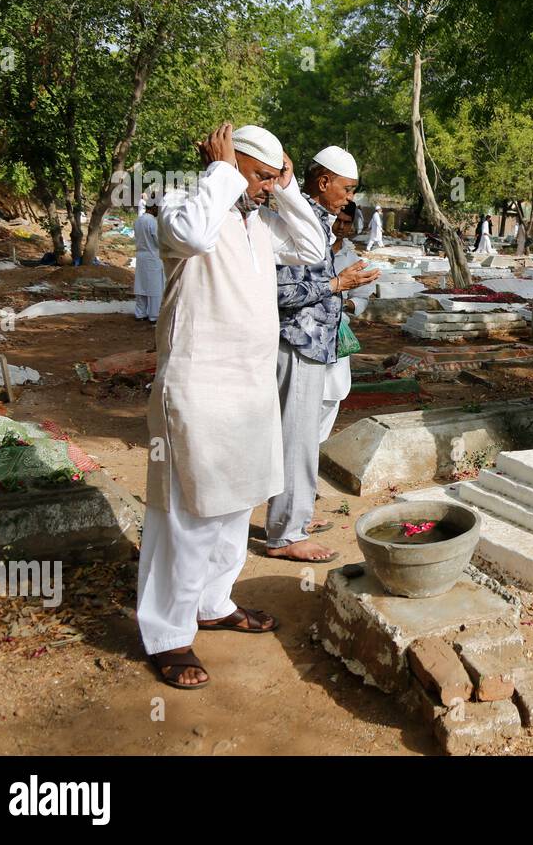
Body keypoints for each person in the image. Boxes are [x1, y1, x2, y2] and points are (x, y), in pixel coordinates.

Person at [136, 123, 326, 690]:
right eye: (261, 176)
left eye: (274, 178)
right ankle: (168, 635)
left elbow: (314, 248)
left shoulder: (258, 224)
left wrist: (286, 186)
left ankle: (213, 603)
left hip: (249, 388)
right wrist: (222, 171)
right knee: (187, 513)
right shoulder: (183, 205)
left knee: (237, 502)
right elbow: (194, 236)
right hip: (197, 387)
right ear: (229, 163)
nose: (268, 188)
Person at [266, 145, 379, 564]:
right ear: (324, 181)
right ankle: (287, 534)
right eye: (347, 189)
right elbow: (281, 292)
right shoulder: (299, 222)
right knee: (295, 439)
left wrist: (344, 286)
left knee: (301, 437)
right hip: (297, 342)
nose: (350, 198)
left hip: (313, 345)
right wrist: (337, 285)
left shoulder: (314, 219)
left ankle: (294, 517)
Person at [320, 204, 379, 443]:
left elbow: (362, 299)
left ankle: (315, 449)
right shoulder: (313, 249)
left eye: (346, 223)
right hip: (308, 332)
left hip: (337, 334)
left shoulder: (352, 258)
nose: (341, 228)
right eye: (337, 221)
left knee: (332, 395)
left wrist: (345, 304)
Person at [132, 196, 164, 323]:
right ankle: (154, 315)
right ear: (154, 207)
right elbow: (158, 241)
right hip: (152, 255)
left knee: (141, 286)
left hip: (141, 255)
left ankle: (140, 313)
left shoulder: (138, 221)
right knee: (155, 287)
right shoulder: (152, 222)